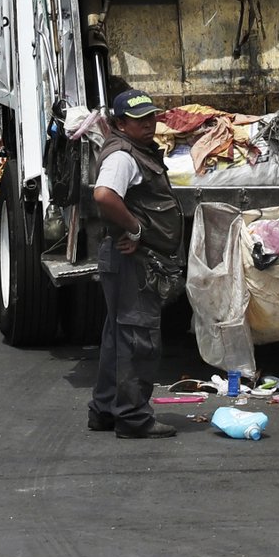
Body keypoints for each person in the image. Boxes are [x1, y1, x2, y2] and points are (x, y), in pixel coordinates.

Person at [87, 89, 184, 439]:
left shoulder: (135, 151)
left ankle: (104, 410)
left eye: (150, 116)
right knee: (138, 339)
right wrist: (136, 228)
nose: (148, 123)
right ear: (119, 124)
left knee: (118, 337)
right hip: (132, 261)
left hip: (127, 258)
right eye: (139, 119)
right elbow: (104, 195)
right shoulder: (124, 156)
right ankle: (132, 418)